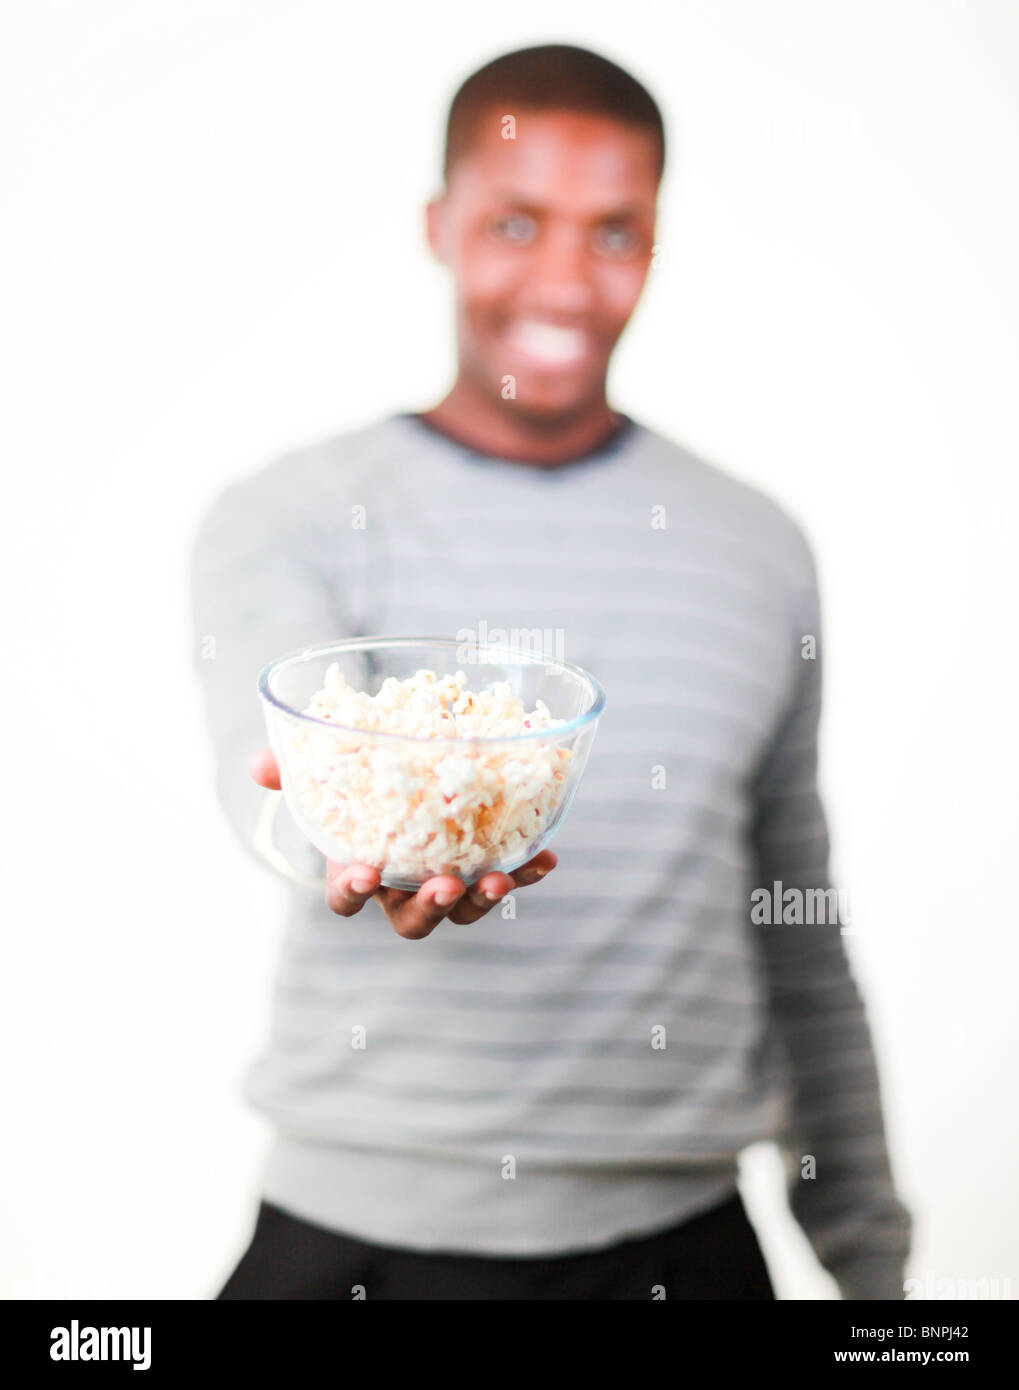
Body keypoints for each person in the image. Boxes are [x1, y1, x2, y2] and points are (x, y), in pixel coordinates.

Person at [190, 43, 912, 1300]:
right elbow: (276, 792)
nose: (564, 282)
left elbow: (792, 920)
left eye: (615, 232)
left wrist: (870, 1269)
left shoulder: (754, 546)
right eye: (515, 222)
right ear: (438, 225)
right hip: (355, 1238)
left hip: (679, 1246)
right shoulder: (294, 514)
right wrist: (343, 837)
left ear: (656, 243)